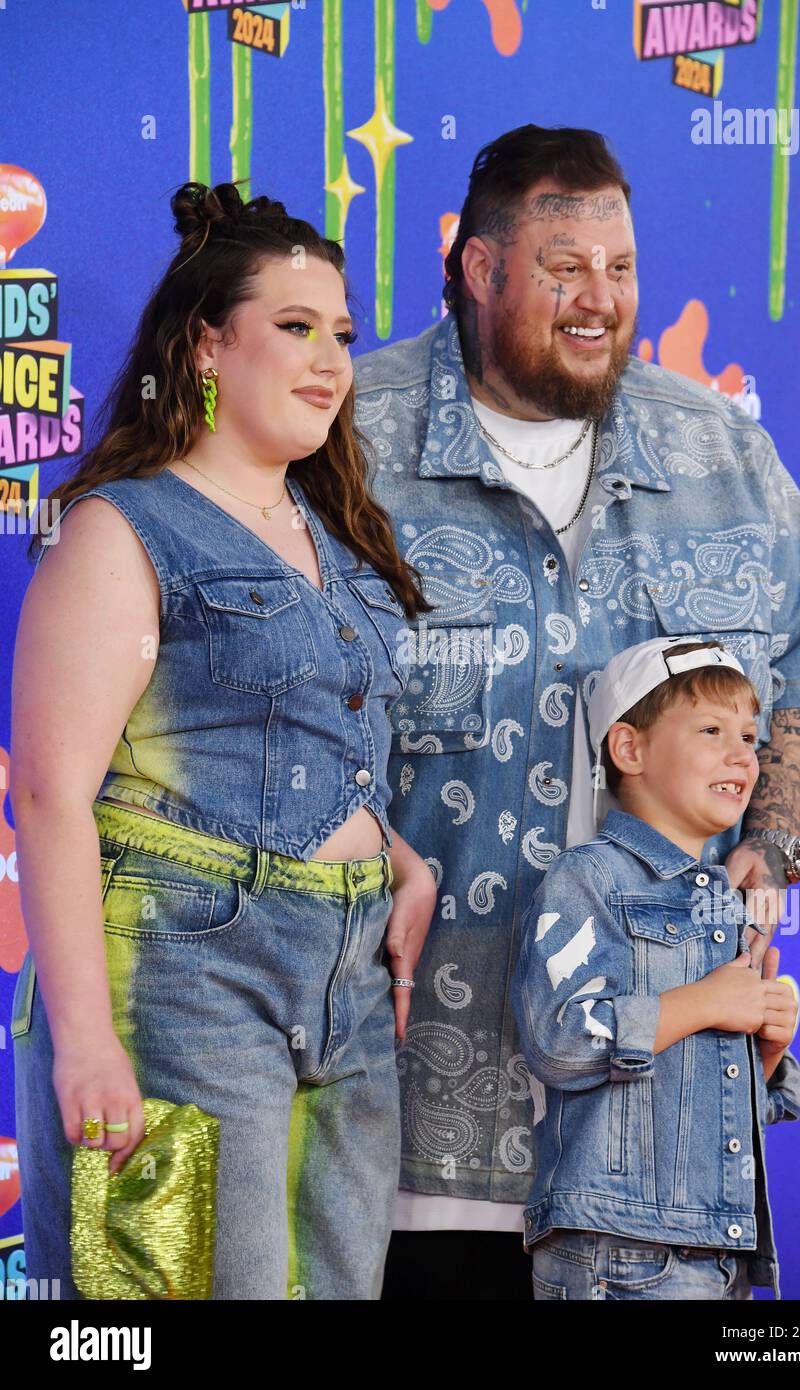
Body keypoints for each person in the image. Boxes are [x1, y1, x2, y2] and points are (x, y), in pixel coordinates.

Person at [354, 125, 800, 1300]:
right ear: (479, 267)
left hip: (660, 1169)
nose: (602, 301)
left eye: (622, 268)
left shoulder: (724, 450)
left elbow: (799, 671)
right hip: (400, 1138)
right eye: (564, 268)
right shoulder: (350, 439)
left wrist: (769, 848)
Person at [9, 181, 436, 1300]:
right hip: (182, 975)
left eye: (343, 333)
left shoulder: (333, 538)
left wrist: (392, 855)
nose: (332, 360)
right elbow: (51, 795)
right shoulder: (122, 528)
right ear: (207, 345)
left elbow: (298, 749)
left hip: (346, 993)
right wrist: (87, 1039)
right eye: (295, 328)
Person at [513, 636, 800, 1301]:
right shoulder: (587, 879)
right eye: (711, 730)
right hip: (622, 1254)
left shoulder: (724, 902)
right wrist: (707, 1004)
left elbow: (703, 1093)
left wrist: (765, 1053)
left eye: (750, 738)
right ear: (630, 749)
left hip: (720, 1250)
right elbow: (560, 1041)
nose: (742, 755)